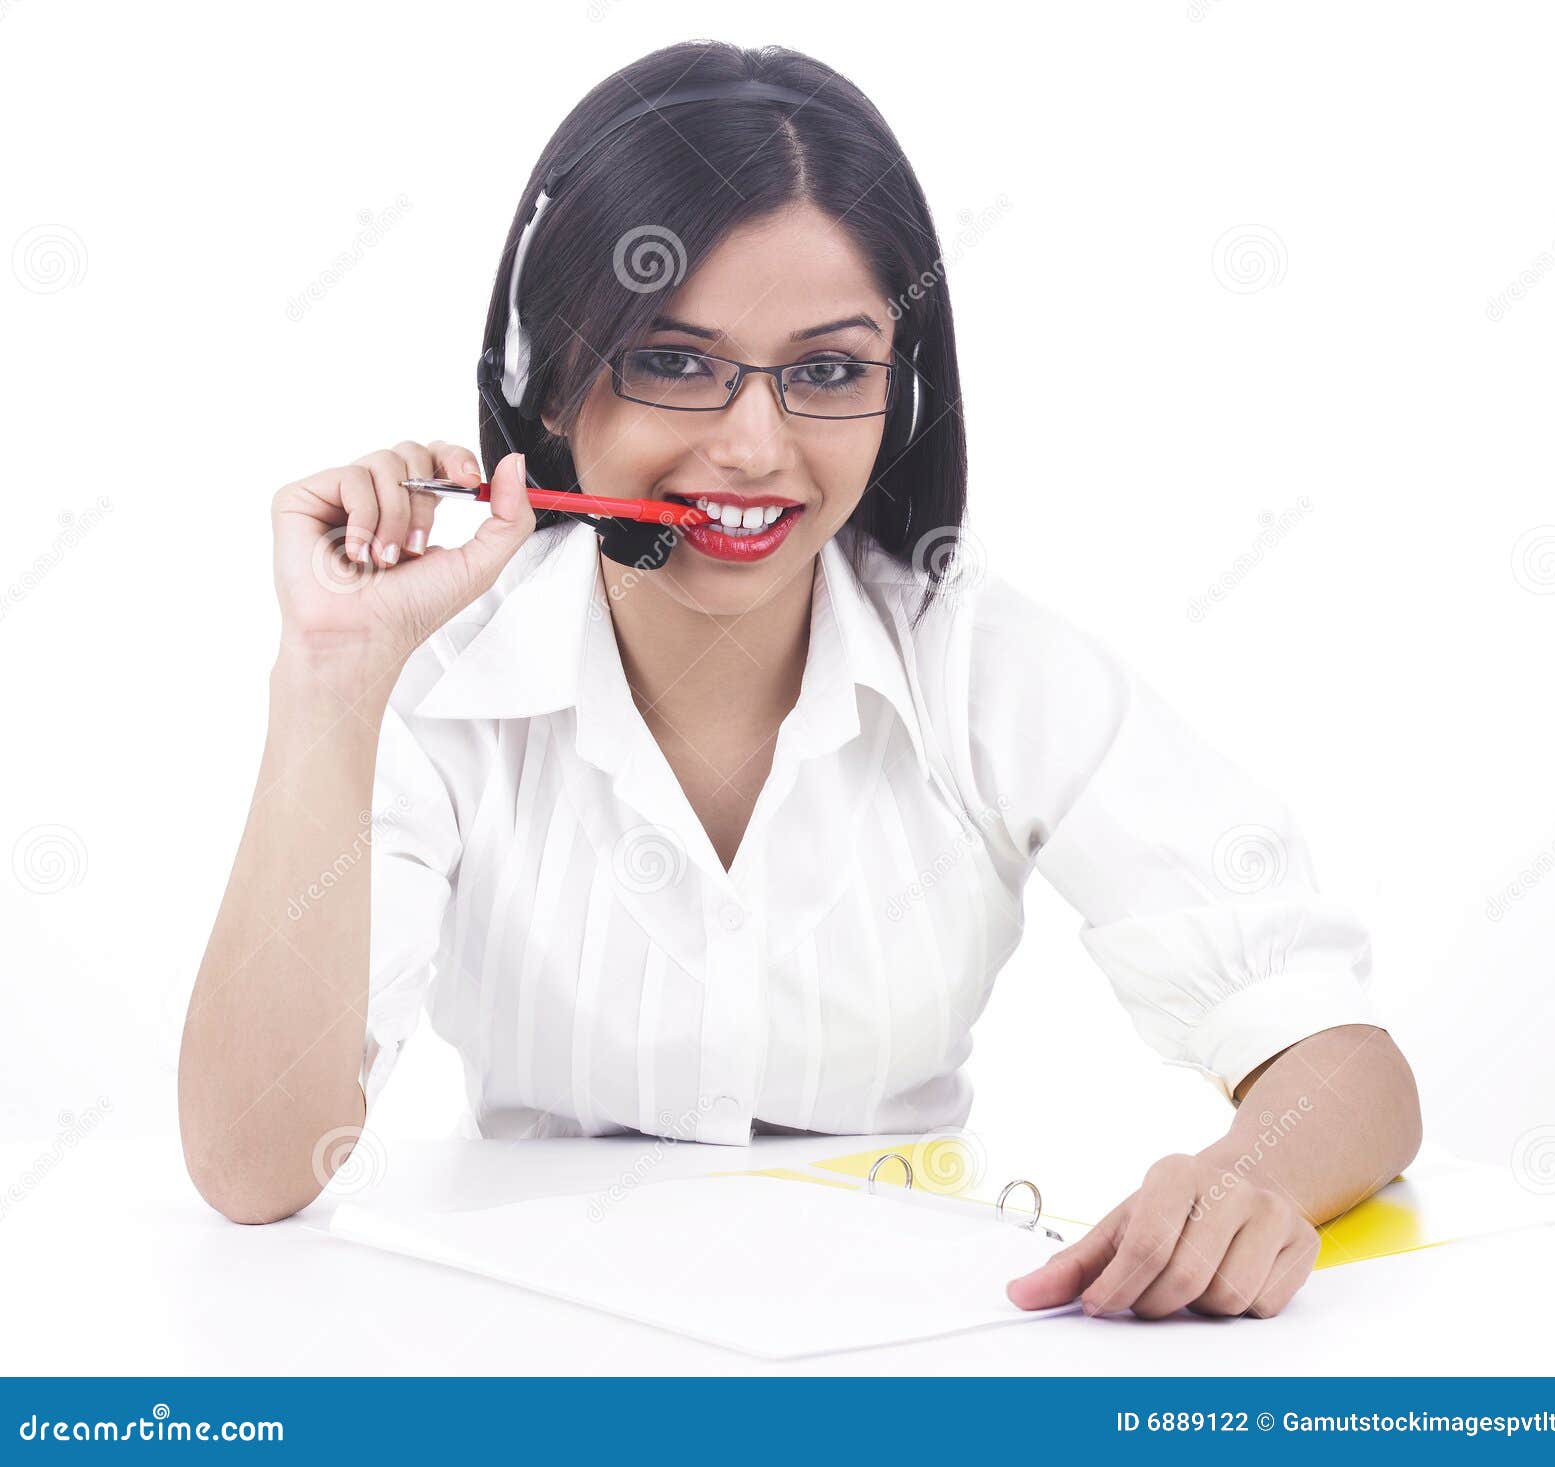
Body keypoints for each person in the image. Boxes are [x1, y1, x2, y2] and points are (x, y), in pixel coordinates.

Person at [179, 40, 1421, 1322]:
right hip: (530, 1347)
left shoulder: (980, 663)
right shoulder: (439, 686)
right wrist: (330, 676)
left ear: (900, 388)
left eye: (828, 371)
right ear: (541, 377)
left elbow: (1347, 1063)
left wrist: (1237, 1178)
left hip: (905, 1352)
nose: (754, 448)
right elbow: (252, 1165)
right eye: (674, 359)